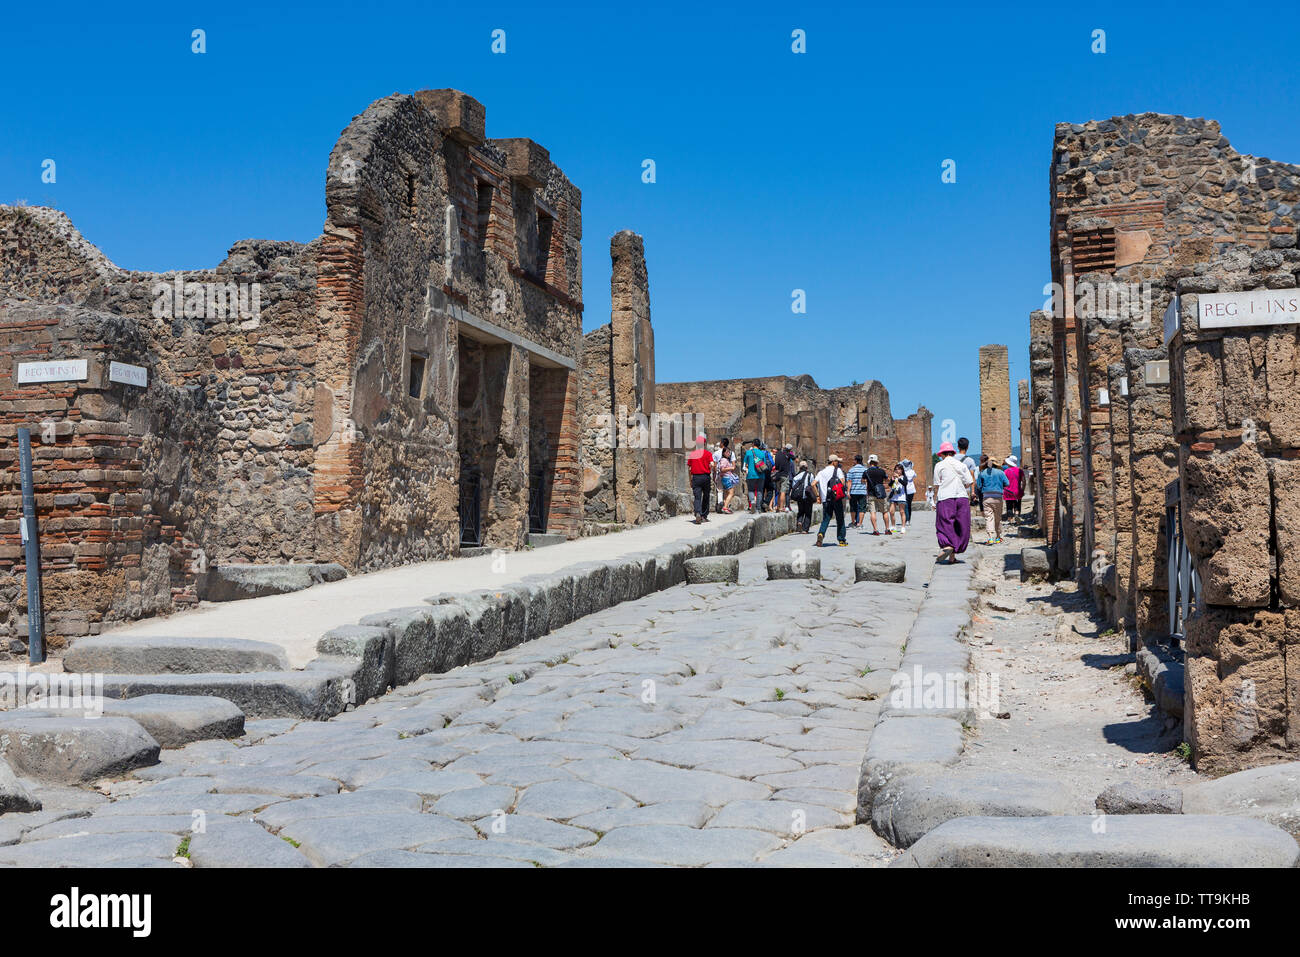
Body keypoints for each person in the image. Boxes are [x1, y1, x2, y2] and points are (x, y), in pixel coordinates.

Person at [934, 440, 974, 564]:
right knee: (961, 525)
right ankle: (952, 557)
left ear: (942, 454)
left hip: (945, 497)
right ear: (952, 452)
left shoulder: (939, 465)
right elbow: (969, 482)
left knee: (944, 524)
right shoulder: (961, 465)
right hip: (962, 497)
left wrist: (935, 500)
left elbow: (937, 484)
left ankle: (947, 545)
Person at [814, 453, 849, 547]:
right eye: (837, 461)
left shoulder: (821, 472)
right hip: (836, 498)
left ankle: (821, 534)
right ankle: (841, 540)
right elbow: (842, 483)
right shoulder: (838, 471)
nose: (838, 463)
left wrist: (818, 495)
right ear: (833, 462)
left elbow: (813, 484)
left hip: (826, 499)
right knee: (840, 519)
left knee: (826, 518)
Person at [977, 458, 1009, 544]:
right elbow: (1007, 483)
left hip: (987, 498)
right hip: (998, 497)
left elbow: (979, 486)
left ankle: (990, 538)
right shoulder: (1001, 473)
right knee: (998, 517)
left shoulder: (982, 473)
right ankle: (998, 537)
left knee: (988, 517)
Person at [687, 434, 713, 524]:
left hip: (696, 477)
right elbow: (712, 464)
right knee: (706, 496)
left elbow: (689, 469)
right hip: (705, 477)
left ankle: (697, 512)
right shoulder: (708, 454)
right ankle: (704, 516)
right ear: (704, 444)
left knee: (697, 497)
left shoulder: (692, 454)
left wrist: (690, 480)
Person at [865, 453, 889, 535]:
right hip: (881, 494)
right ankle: (887, 529)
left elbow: (862, 481)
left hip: (871, 493)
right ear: (876, 462)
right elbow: (887, 480)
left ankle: (875, 530)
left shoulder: (866, 471)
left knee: (873, 512)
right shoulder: (881, 471)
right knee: (885, 512)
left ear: (870, 462)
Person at [791, 458, 815, 532]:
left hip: (800, 496)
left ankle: (799, 522)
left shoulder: (796, 476)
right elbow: (813, 485)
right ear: (807, 467)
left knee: (801, 511)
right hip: (808, 496)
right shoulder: (810, 475)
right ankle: (805, 529)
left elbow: (793, 486)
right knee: (808, 512)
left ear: (800, 467)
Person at [715, 438, 738, 513]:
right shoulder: (727, 457)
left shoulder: (716, 453)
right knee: (730, 492)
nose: (729, 454)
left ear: (721, 443)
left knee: (721, 490)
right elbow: (729, 467)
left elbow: (715, 465)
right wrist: (731, 468)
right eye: (728, 453)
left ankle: (722, 503)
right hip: (726, 476)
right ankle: (725, 506)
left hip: (720, 475)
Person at [743, 439, 766, 512]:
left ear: (753, 444)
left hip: (751, 474)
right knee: (759, 491)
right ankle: (758, 507)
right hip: (761, 475)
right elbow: (764, 464)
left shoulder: (748, 452)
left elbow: (744, 464)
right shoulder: (762, 453)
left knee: (751, 490)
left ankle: (752, 502)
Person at [847, 454, 868, 528]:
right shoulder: (865, 470)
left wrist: (848, 492)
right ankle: (859, 523)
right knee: (862, 508)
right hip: (862, 491)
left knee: (853, 507)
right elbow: (866, 481)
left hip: (853, 491)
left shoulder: (851, 470)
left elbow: (849, 481)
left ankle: (853, 522)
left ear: (856, 461)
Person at [773, 443, 796, 512]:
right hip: (784, 475)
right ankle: (781, 507)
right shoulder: (788, 454)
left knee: (779, 492)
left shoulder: (778, 454)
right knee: (783, 492)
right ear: (790, 450)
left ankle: (777, 507)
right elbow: (794, 458)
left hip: (778, 474)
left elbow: (776, 465)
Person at [889, 463, 909, 533]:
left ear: (902, 470)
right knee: (891, 512)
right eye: (896, 469)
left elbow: (905, 484)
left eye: (899, 469)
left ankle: (903, 527)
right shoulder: (894, 477)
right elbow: (890, 485)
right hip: (894, 496)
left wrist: (899, 478)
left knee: (902, 512)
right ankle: (893, 526)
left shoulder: (904, 477)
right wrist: (892, 480)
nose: (897, 470)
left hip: (901, 497)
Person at [1003, 454, 1023, 524]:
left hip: (1008, 491)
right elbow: (1024, 481)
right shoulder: (1020, 471)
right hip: (1017, 491)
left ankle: (1010, 519)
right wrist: (1022, 489)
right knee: (1017, 504)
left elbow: (1003, 482)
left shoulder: (1005, 471)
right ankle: (1017, 514)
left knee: (1009, 506)